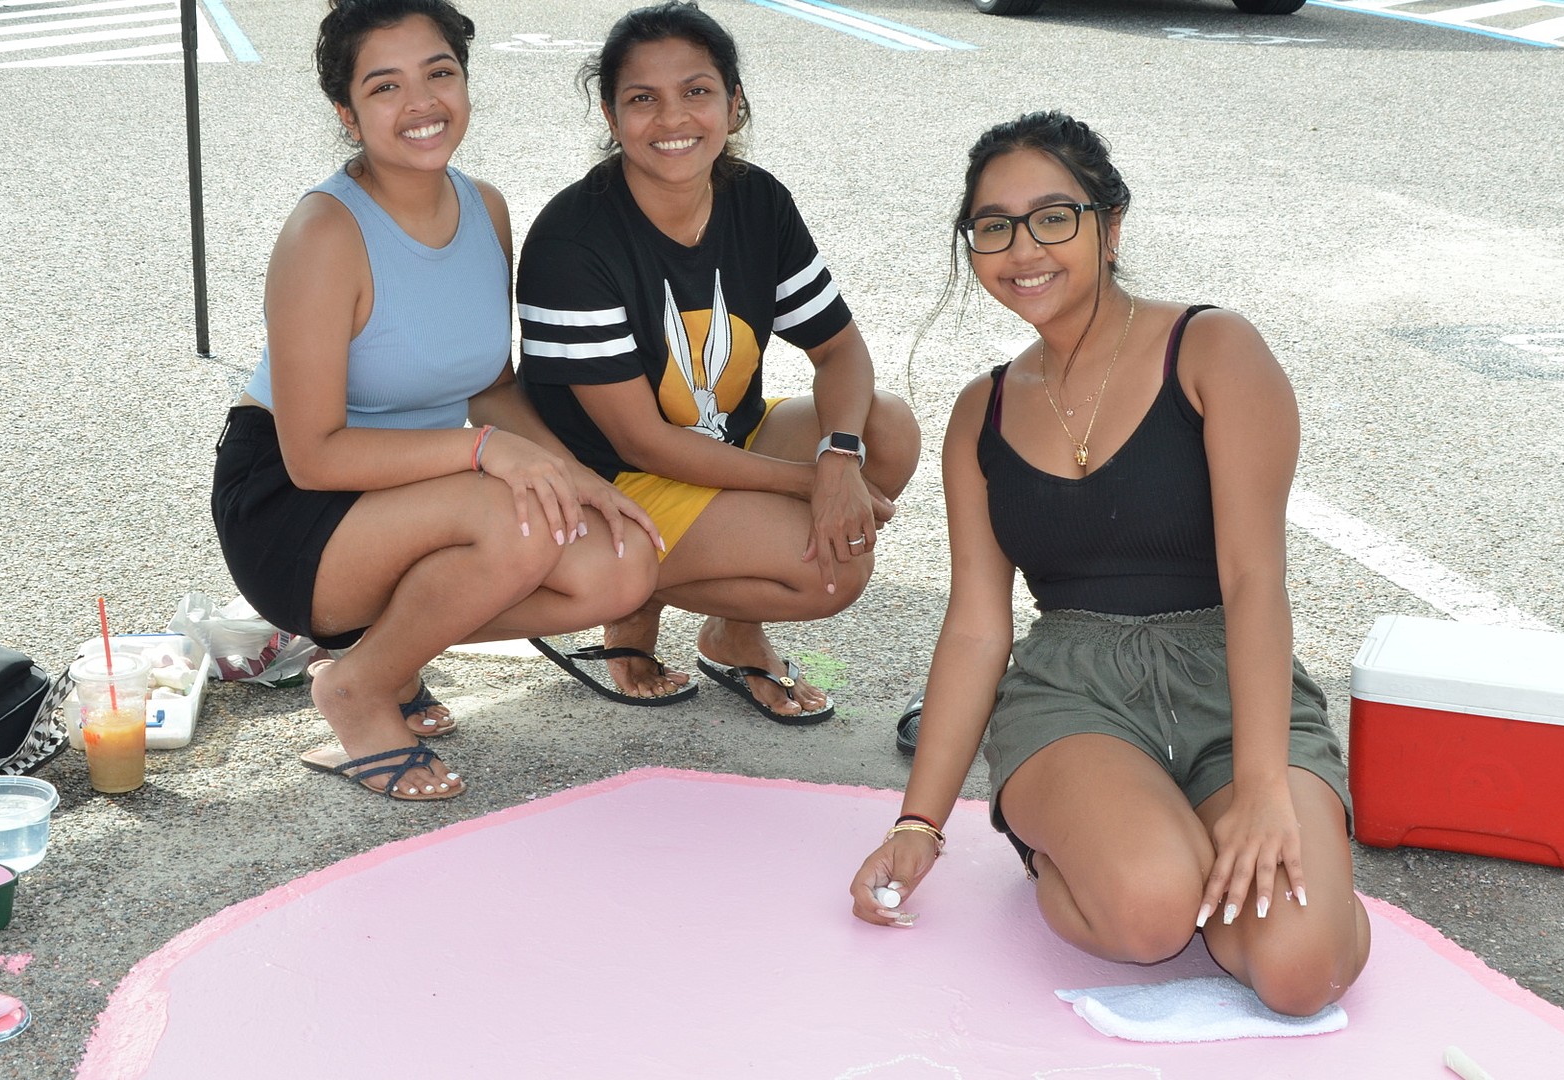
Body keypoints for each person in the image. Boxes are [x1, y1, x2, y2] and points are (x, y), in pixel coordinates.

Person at [847, 111, 1369, 1016]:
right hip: (1071, 693)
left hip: (1229, 676)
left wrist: (1260, 790)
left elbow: (1254, 582)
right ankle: (1072, 843)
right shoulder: (981, 411)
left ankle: (1233, 835)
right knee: (1150, 914)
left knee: (1299, 971)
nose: (1023, 249)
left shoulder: (1213, 350)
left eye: (1054, 216)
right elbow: (977, 625)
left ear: (1111, 225)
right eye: (993, 227)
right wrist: (918, 823)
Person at [210, 0, 662, 801]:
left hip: (414, 493)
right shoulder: (323, 233)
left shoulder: (485, 207)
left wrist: (576, 474)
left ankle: (385, 653)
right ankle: (355, 686)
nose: (421, 104)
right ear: (347, 115)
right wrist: (487, 454)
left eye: (439, 73)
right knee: (514, 517)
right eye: (386, 87)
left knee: (620, 570)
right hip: (292, 506)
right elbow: (313, 454)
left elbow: (490, 390)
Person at [515, 1, 919, 723]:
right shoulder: (571, 242)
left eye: (697, 92)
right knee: (834, 577)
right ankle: (626, 598)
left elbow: (840, 350)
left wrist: (840, 459)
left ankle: (733, 631)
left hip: (720, 444)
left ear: (734, 105)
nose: (673, 120)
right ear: (610, 117)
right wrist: (812, 485)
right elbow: (644, 441)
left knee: (885, 428)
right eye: (643, 99)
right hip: (613, 481)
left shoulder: (754, 200)